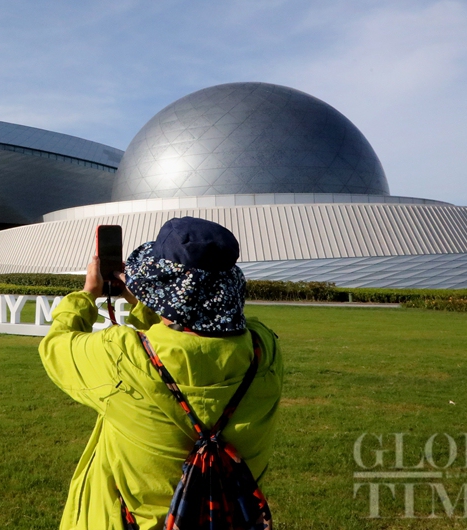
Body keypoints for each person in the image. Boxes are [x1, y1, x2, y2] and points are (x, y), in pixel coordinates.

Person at [39, 217, 284, 530]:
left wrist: (86, 295)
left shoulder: (124, 355)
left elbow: (57, 348)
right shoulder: (264, 350)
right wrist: (155, 301)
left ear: (160, 283)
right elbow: (195, 331)